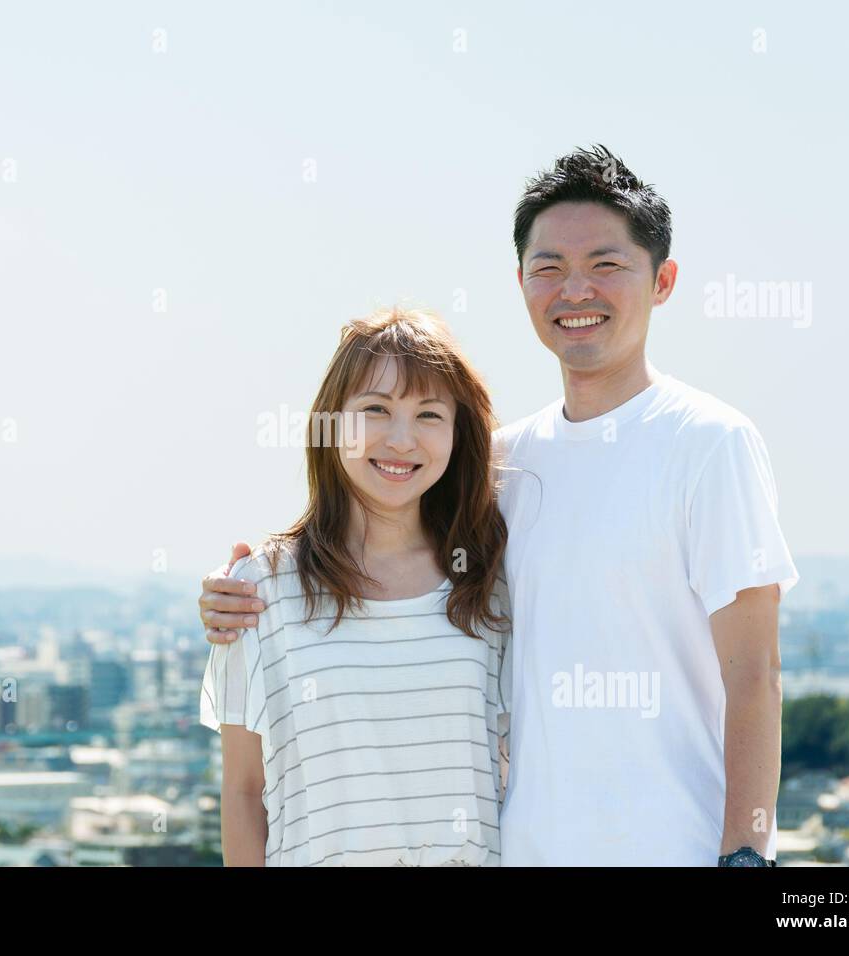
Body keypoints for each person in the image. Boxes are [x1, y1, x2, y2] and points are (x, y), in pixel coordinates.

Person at [200, 145, 799, 866]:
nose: (575, 290)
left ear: (663, 280)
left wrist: (746, 855)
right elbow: (383, 516)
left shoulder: (710, 442)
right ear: (521, 282)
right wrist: (242, 585)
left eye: (606, 265)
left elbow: (755, 674)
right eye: (549, 268)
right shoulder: (504, 464)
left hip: (676, 847)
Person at [199, 306, 512, 866]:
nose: (401, 439)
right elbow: (245, 793)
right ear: (331, 421)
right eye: (376, 409)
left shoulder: (489, 581)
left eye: (429, 415)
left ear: (458, 432)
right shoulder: (259, 590)